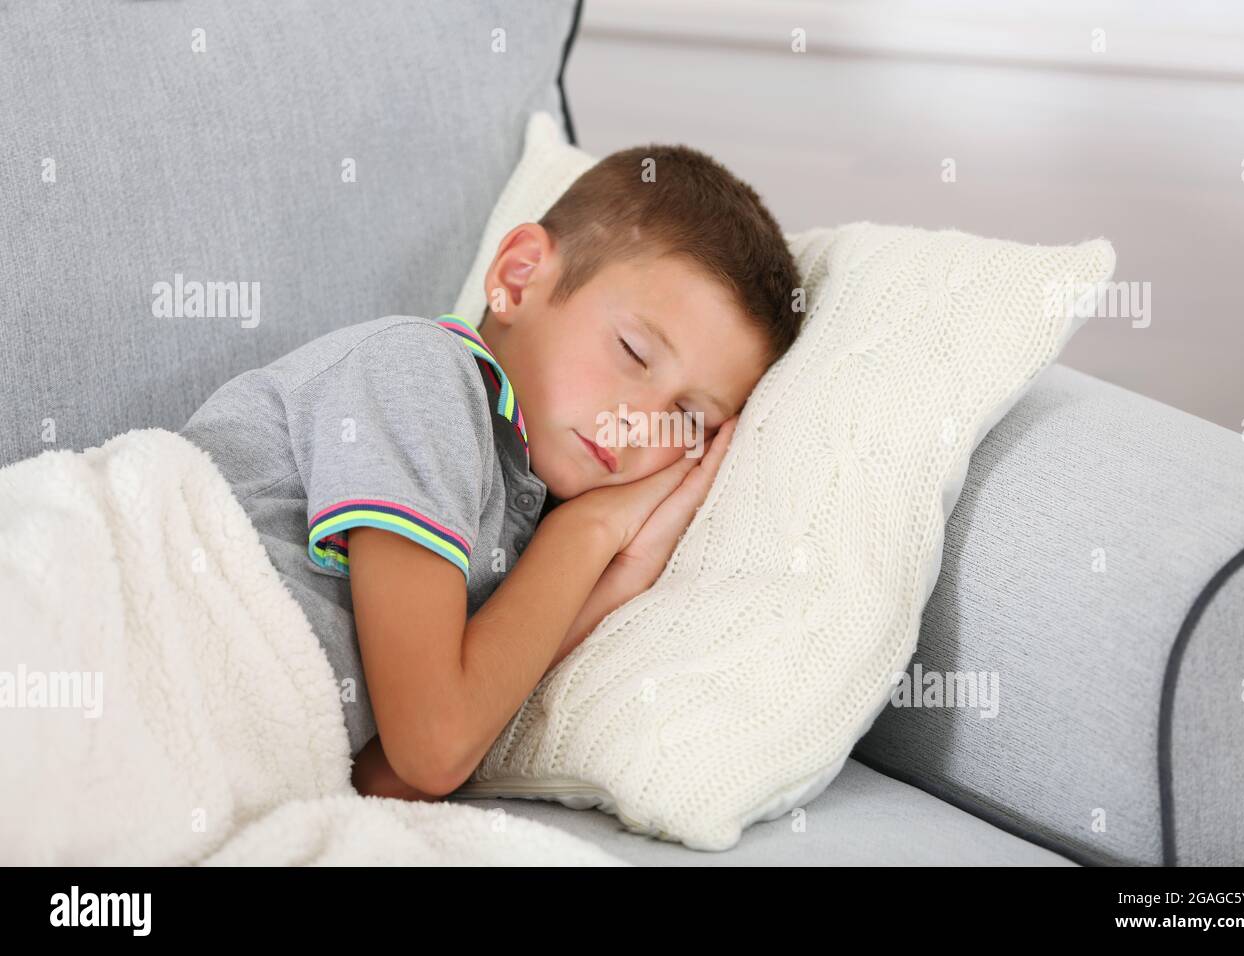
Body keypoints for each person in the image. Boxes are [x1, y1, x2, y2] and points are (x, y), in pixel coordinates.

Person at [178, 141, 804, 800]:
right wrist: (587, 534)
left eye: (689, 417)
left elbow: (379, 781)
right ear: (518, 276)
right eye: (632, 351)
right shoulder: (422, 376)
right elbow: (434, 748)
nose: (639, 423)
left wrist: (619, 577)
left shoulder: (516, 523)